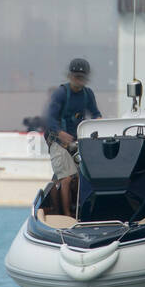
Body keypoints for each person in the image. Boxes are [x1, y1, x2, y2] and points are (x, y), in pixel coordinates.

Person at [41, 57, 102, 218]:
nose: (78, 80)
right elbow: (49, 118)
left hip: (76, 142)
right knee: (67, 178)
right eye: (75, 76)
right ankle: (68, 215)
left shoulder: (88, 94)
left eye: (81, 77)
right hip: (57, 141)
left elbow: (95, 113)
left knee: (81, 176)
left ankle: (80, 210)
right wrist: (60, 133)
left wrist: (99, 122)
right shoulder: (61, 93)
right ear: (69, 76)